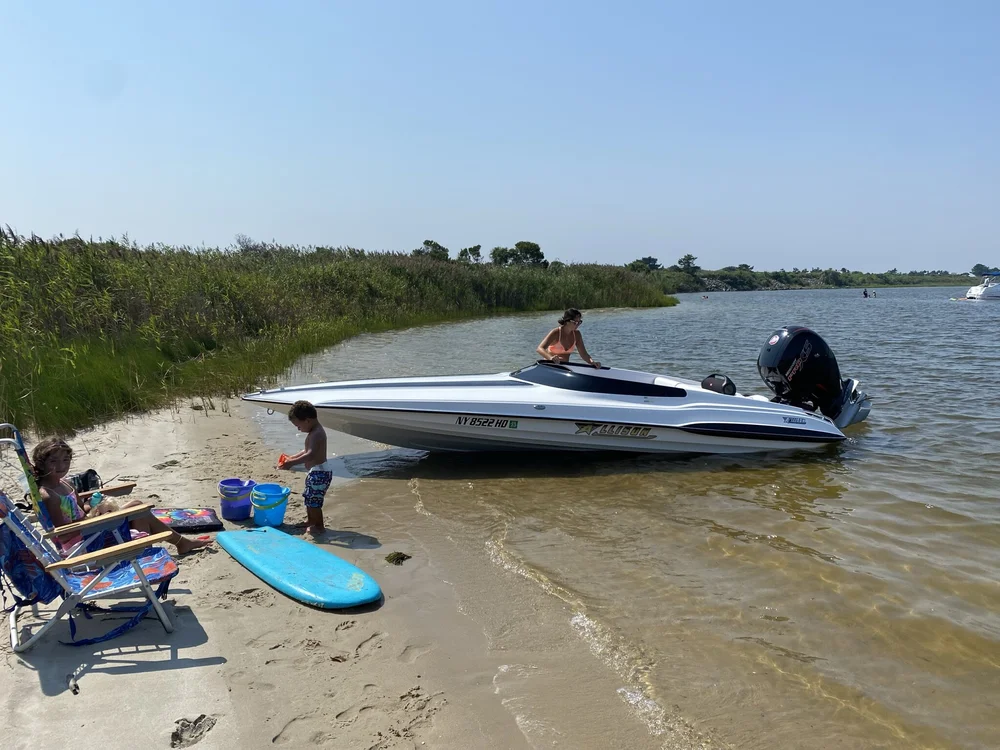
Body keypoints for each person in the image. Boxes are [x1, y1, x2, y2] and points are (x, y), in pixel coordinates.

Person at [31, 437, 212, 555]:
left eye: (65, 460)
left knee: (136, 505)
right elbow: (63, 536)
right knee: (140, 512)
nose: (61, 466)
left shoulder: (66, 483)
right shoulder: (48, 496)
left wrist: (94, 505)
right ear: (41, 463)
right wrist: (94, 520)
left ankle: (175, 544)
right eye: (53, 461)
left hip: (89, 529)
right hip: (82, 544)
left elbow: (82, 508)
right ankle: (167, 547)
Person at [279, 400, 332, 536]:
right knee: (309, 498)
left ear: (307, 420)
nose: (298, 429)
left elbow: (311, 454)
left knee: (314, 501)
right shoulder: (313, 432)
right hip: (315, 472)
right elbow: (305, 450)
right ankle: (310, 521)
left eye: (298, 425)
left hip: (320, 473)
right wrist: (291, 458)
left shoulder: (317, 433)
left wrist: (292, 463)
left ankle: (319, 525)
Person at [536, 308, 601, 368]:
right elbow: (540, 348)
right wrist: (550, 358)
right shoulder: (556, 333)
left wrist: (592, 362)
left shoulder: (577, 334)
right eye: (575, 322)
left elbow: (584, 354)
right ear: (567, 321)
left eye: (579, 322)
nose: (577, 324)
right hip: (549, 366)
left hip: (565, 367)